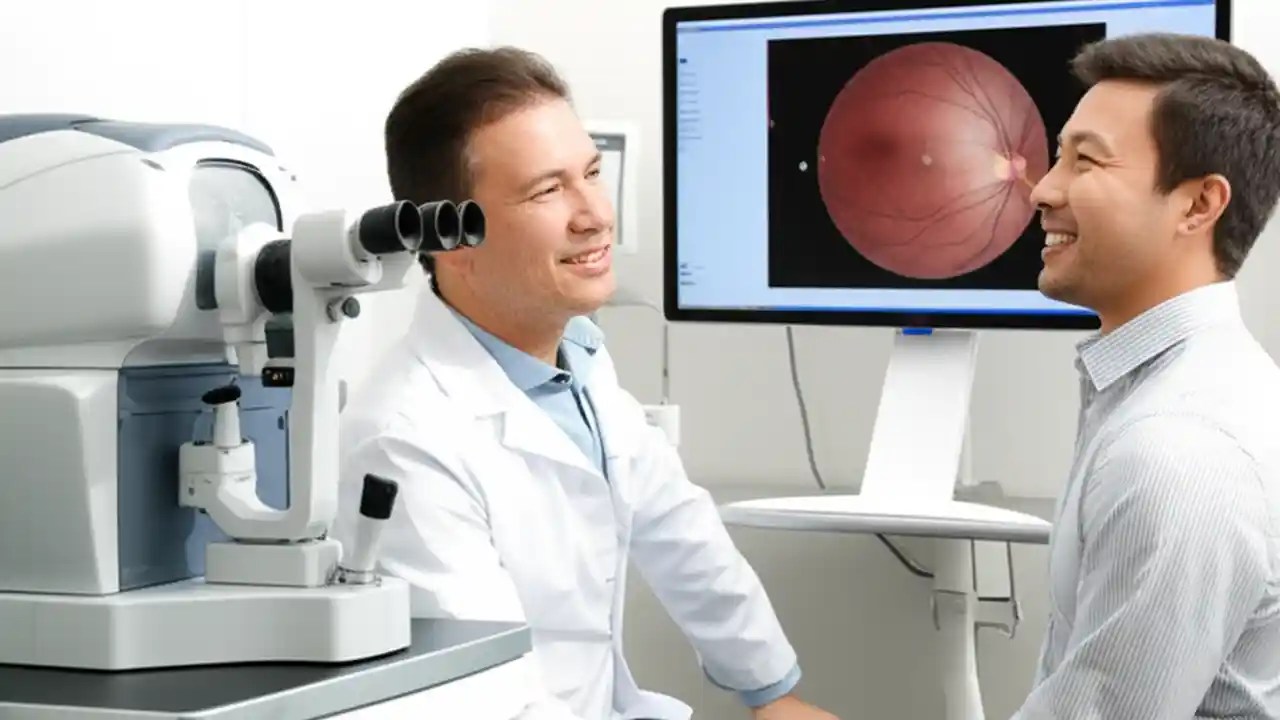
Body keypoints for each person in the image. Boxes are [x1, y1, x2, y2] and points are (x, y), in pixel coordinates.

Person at [332, 46, 838, 720]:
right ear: (452, 237)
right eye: (547, 190)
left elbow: (681, 534)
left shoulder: (576, 361)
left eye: (591, 173)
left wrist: (772, 690)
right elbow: (493, 698)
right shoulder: (405, 441)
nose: (595, 214)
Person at [1014, 32, 1280, 719]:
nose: (1043, 189)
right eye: (1056, 157)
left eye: (1086, 162)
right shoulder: (1181, 392)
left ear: (1199, 204)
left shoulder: (1180, 452)